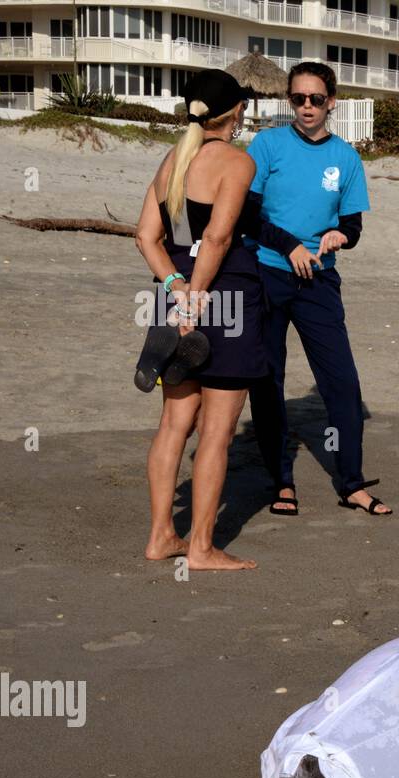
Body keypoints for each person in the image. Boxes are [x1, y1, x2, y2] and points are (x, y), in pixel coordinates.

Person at [134, 69, 267, 570]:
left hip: (175, 300)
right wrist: (197, 299)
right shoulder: (236, 162)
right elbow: (216, 238)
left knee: (173, 424)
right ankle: (202, 547)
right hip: (224, 299)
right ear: (236, 112)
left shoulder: (172, 160)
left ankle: (160, 536)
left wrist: (176, 290)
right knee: (217, 433)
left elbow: (146, 236)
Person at [246, 62, 390, 517]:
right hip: (267, 272)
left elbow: (353, 224)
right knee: (268, 379)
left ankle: (351, 482)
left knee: (343, 382)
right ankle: (281, 482)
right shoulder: (266, 145)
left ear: (332, 101)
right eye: (298, 99)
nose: (307, 107)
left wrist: (339, 236)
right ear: (289, 100)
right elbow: (248, 217)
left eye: (316, 99)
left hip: (319, 280)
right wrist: (288, 246)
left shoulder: (346, 157)